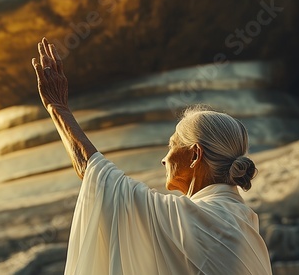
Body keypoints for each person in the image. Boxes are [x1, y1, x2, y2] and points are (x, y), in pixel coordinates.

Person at [33, 38, 272, 274]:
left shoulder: (196, 220)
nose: (164, 159)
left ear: (194, 155)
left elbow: (98, 177)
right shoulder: (244, 224)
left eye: (172, 145)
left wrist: (58, 107)